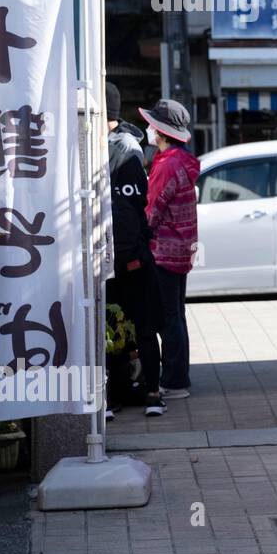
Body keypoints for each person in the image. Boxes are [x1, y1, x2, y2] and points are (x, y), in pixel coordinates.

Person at [104, 83, 165, 417]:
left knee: (135, 327)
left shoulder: (125, 150)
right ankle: (127, 393)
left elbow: (132, 208)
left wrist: (128, 252)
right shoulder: (123, 147)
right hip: (119, 256)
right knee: (116, 327)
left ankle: (150, 392)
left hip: (125, 258)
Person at [140, 99, 200, 400]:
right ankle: (180, 377)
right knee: (177, 314)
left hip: (163, 248)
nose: (149, 129)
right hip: (182, 248)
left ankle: (175, 382)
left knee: (168, 317)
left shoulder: (167, 164)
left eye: (153, 125)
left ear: (162, 132)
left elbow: (152, 211)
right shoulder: (185, 161)